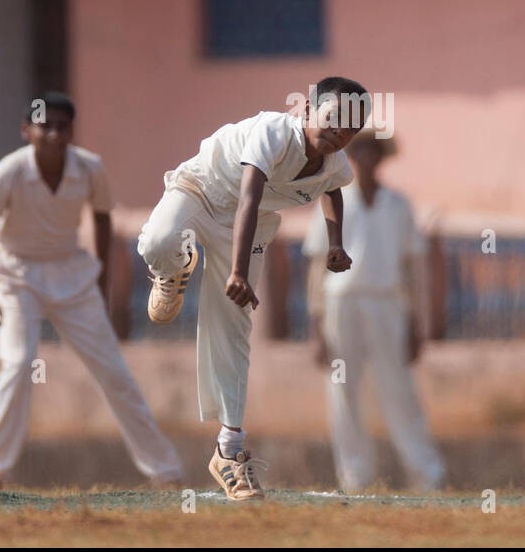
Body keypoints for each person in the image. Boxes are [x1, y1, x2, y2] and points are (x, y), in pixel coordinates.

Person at [137, 77, 368, 500]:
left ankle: (229, 451)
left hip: (249, 227)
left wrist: (336, 245)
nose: (339, 131)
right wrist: (237, 273)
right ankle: (173, 269)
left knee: (234, 326)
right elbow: (248, 195)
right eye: (333, 117)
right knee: (158, 242)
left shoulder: (336, 164)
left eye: (351, 127)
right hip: (201, 191)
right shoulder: (273, 132)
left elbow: (332, 192)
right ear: (307, 110)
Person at [0, 92, 183, 491]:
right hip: (16, 275)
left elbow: (102, 222)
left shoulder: (89, 168)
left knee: (114, 371)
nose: (53, 134)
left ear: (71, 131)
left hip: (72, 274)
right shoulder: (9, 171)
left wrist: (102, 288)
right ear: (26, 130)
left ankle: (165, 472)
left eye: (61, 127)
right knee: (17, 364)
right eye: (43, 126)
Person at [304, 128, 444, 493]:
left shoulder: (398, 205)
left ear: (381, 159)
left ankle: (426, 474)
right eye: (360, 150)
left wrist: (416, 324)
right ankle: (354, 478)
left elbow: (412, 269)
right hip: (341, 303)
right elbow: (317, 268)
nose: (366, 158)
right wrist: (316, 328)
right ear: (351, 156)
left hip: (387, 303)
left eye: (373, 151)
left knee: (398, 389)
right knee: (342, 391)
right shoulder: (332, 199)